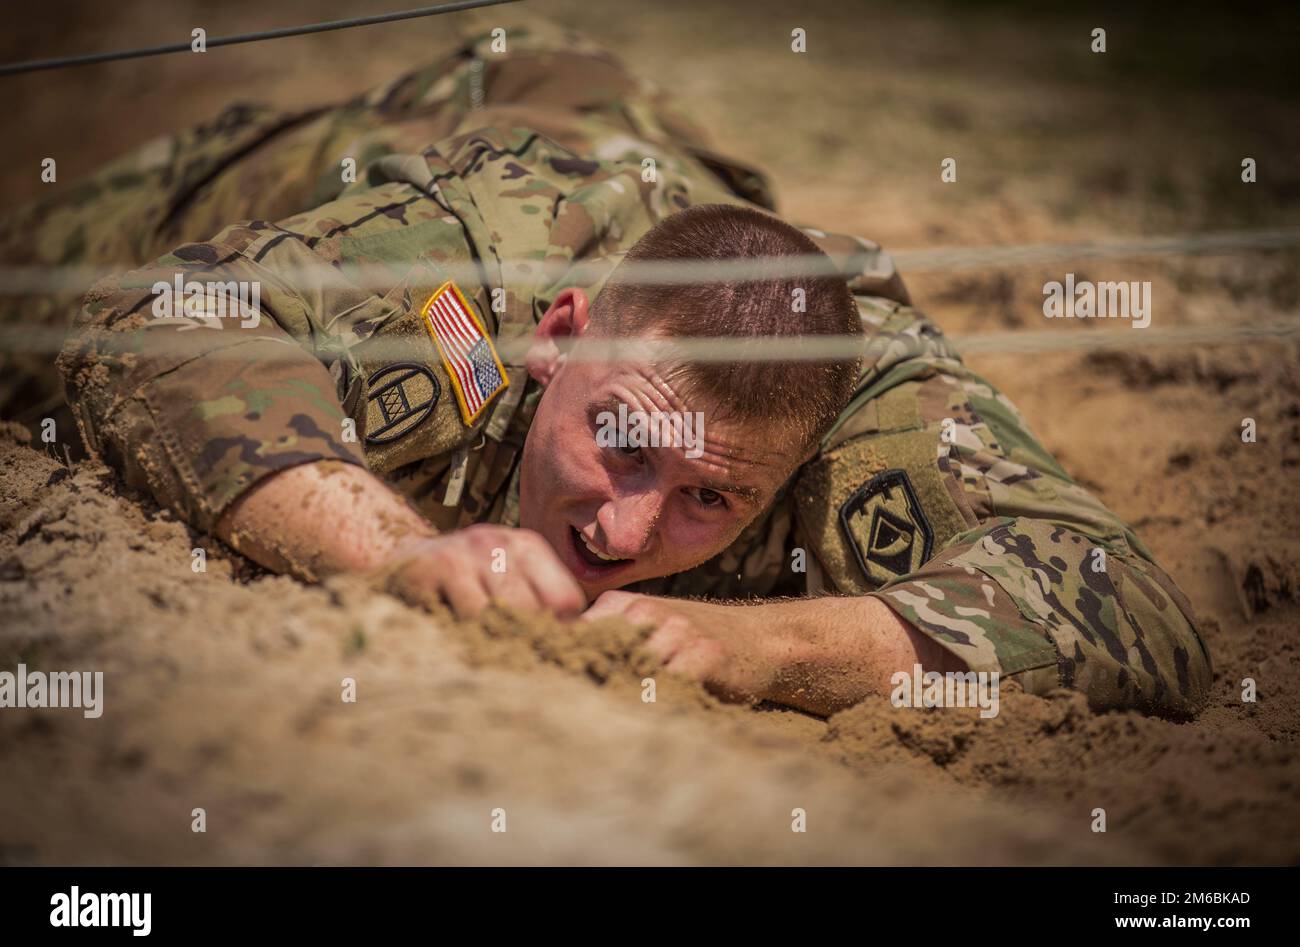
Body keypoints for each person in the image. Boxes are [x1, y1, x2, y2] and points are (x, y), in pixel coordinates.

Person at [34, 26, 1209, 717]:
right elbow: (150, 316)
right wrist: (394, 549)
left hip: (690, 170)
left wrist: (774, 646)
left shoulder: (862, 384)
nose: (622, 529)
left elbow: (1134, 607)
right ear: (554, 338)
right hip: (460, 119)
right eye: (621, 441)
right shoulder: (474, 263)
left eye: (711, 496)